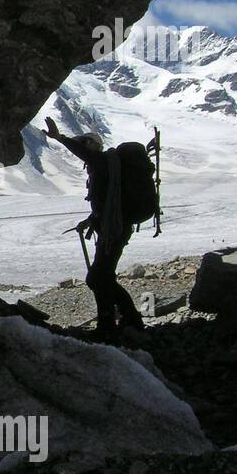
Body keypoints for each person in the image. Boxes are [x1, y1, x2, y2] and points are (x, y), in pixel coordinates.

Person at [43, 117, 145, 339]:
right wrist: (91, 220)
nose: (83, 148)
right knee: (102, 277)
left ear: (93, 146)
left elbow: (85, 155)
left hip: (114, 231)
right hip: (111, 229)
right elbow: (107, 202)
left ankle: (122, 322)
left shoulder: (101, 162)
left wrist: (60, 138)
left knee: (99, 278)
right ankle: (115, 321)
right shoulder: (103, 168)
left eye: (85, 144)